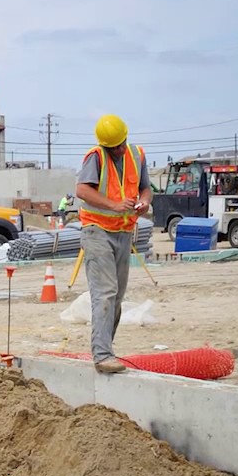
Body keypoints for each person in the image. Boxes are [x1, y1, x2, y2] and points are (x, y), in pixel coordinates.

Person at [74, 114, 151, 374]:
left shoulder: (137, 155)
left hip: (123, 231)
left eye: (120, 145)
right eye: (112, 147)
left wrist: (144, 202)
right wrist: (113, 205)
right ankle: (102, 355)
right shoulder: (96, 157)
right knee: (105, 292)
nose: (117, 150)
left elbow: (145, 188)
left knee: (116, 296)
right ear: (104, 145)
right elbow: (82, 190)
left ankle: (106, 349)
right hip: (97, 230)